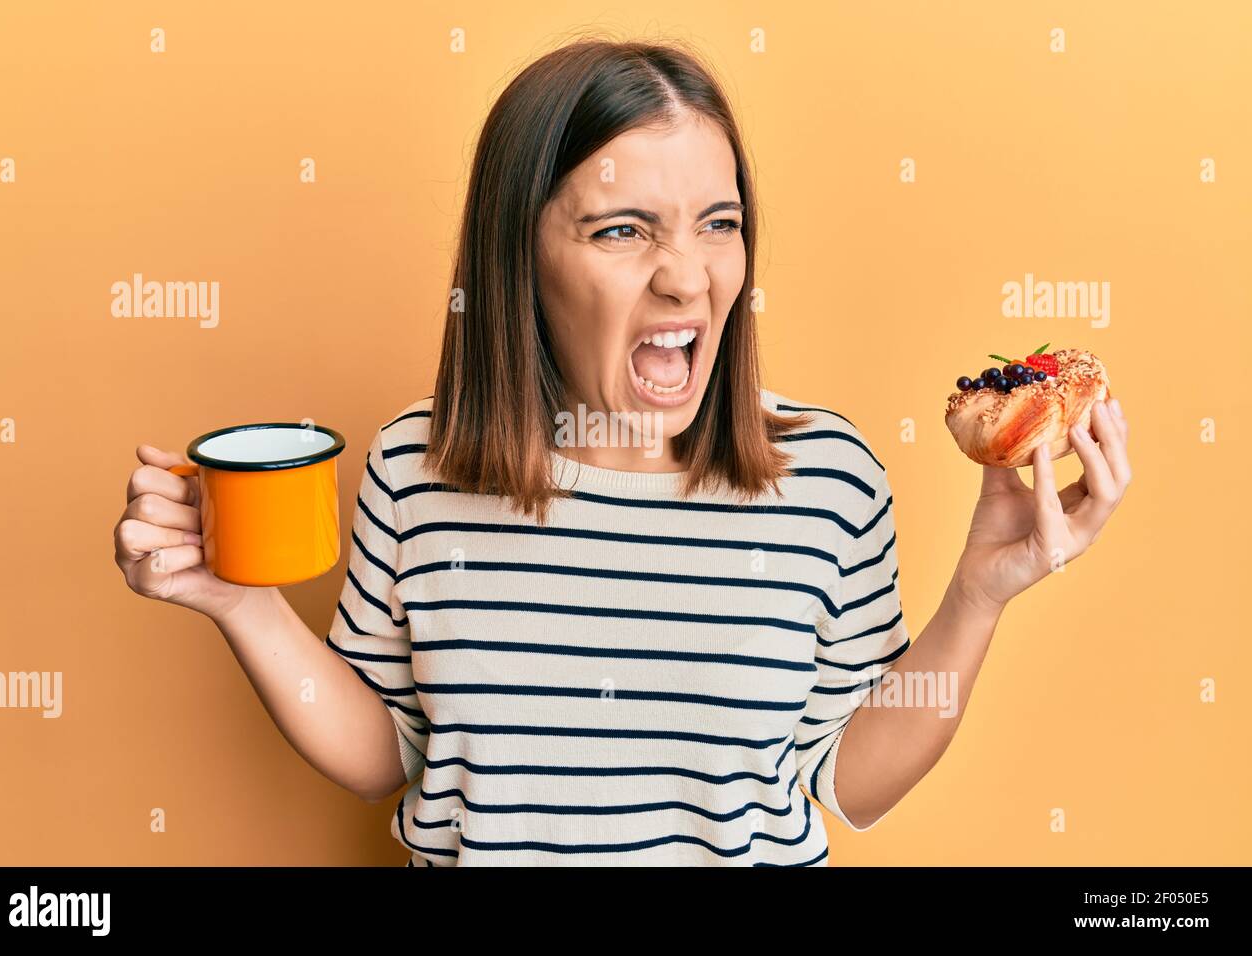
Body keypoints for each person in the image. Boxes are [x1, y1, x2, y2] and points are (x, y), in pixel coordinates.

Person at [113, 38, 1131, 866]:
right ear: (521, 254)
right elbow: (387, 753)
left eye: (718, 223)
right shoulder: (414, 467)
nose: (688, 279)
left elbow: (845, 778)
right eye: (621, 231)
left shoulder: (825, 476)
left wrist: (981, 590)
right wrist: (235, 596)